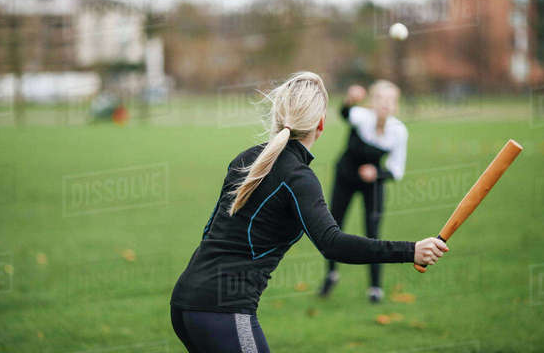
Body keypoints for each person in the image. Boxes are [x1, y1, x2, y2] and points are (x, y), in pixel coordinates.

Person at [170, 72, 448, 353]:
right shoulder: (299, 178)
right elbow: (333, 244)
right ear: (321, 124)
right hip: (223, 312)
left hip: (184, 302)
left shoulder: (246, 158)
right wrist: (410, 250)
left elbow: (209, 231)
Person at [319, 80, 408, 302]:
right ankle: (331, 274)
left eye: (390, 101)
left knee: (373, 232)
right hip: (345, 178)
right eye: (380, 99)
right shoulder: (361, 117)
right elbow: (345, 112)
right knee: (333, 226)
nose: (385, 104)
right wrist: (350, 99)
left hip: (372, 185)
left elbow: (397, 170)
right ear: (372, 102)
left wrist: (377, 174)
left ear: (396, 105)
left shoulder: (398, 132)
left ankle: (375, 288)